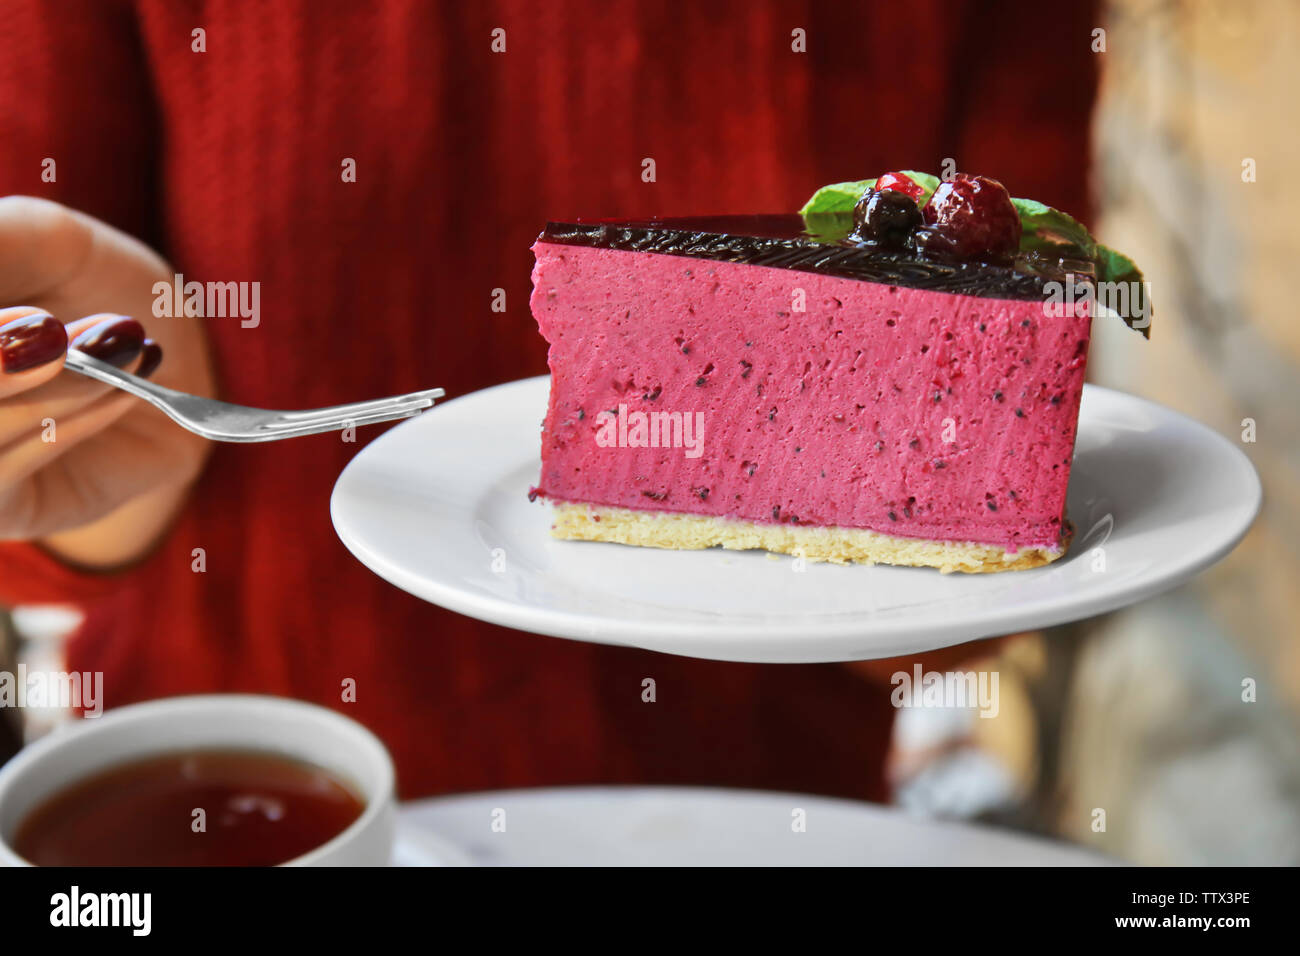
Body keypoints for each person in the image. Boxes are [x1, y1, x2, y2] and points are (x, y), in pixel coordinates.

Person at [0, 0, 1098, 798]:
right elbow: (69, 509)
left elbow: (990, 499)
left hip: (740, 814)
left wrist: (918, 521)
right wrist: (103, 427)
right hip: (234, 793)